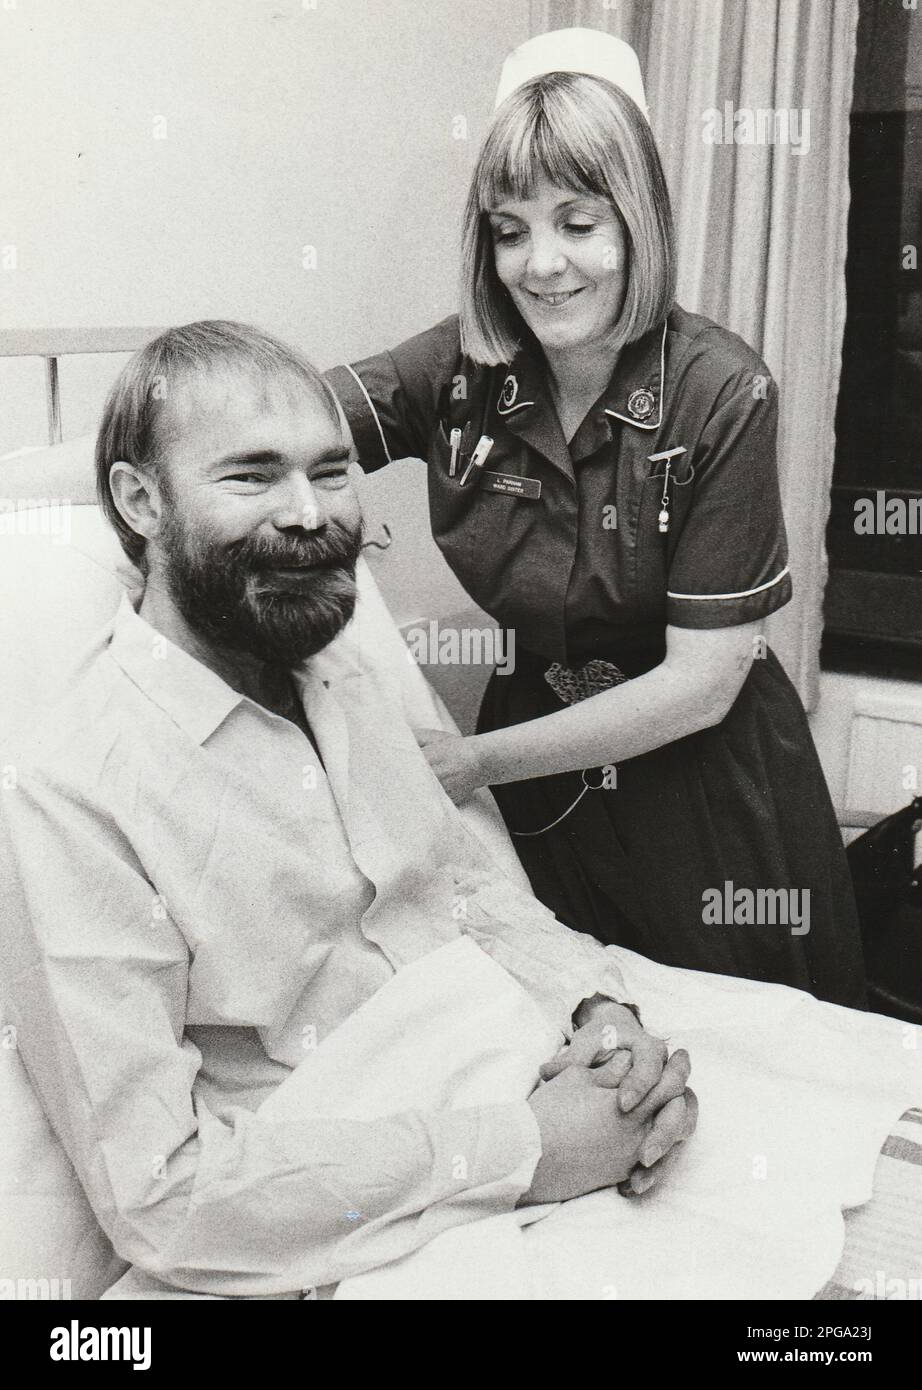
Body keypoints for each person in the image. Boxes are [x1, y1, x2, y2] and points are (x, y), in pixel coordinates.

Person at [0, 321, 696, 1300]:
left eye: (331, 472)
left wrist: (603, 1019)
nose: (310, 514)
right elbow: (161, 1198)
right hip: (338, 1224)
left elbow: (462, 890)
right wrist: (530, 1145)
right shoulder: (72, 794)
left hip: (517, 1084)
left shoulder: (341, 672)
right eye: (251, 477)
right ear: (140, 500)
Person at [326, 29, 866, 1008]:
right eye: (509, 229)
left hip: (700, 789)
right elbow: (271, 424)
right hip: (538, 787)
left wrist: (472, 762)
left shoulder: (719, 392)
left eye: (579, 223)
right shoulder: (457, 373)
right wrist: (97, 470)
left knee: (745, 1058)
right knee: (562, 1026)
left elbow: (701, 685)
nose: (542, 265)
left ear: (638, 221)